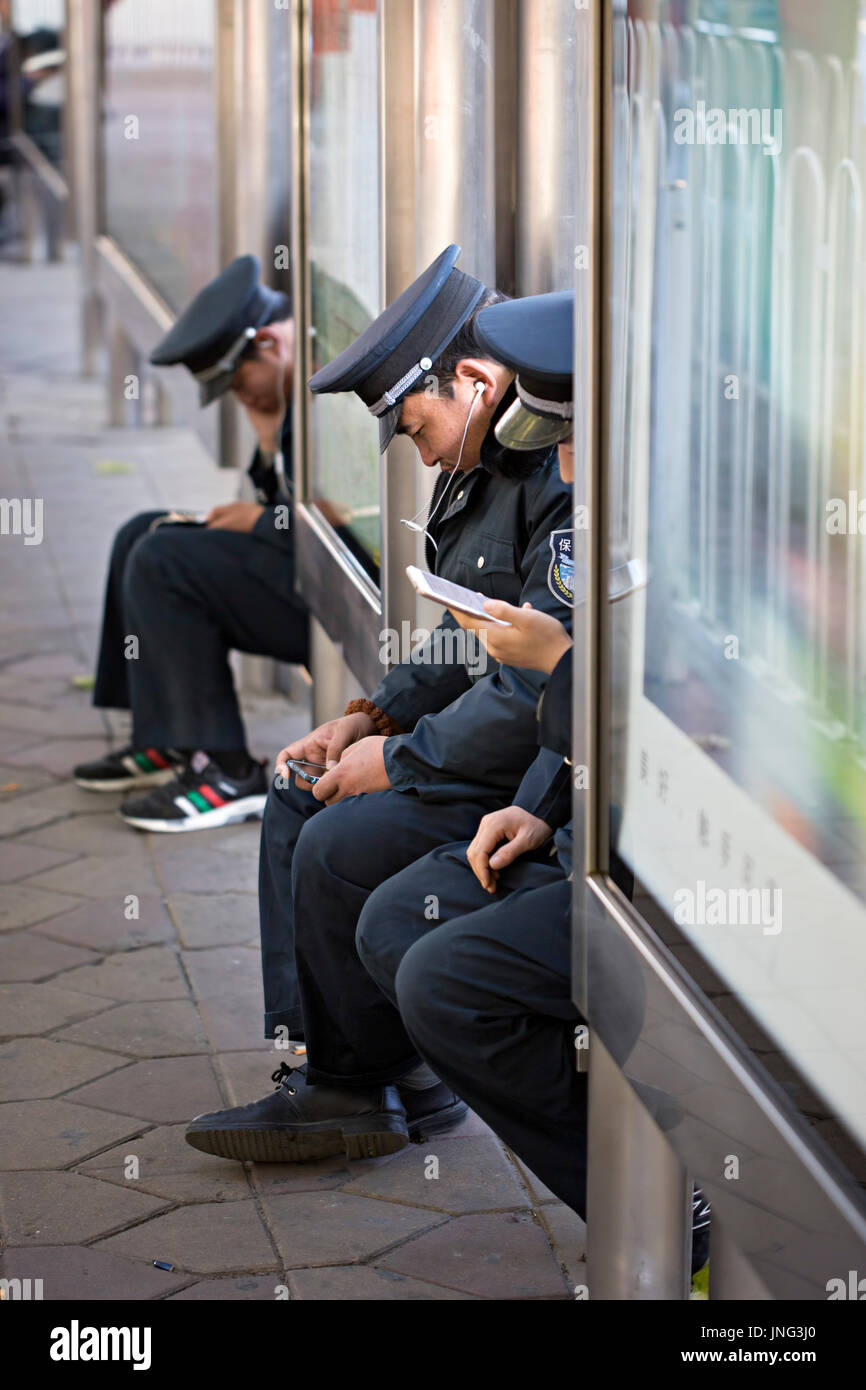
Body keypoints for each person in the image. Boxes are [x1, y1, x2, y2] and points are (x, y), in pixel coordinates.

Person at [184, 247, 574, 1156]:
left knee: (336, 836)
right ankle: (342, 1067)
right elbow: (470, 627)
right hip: (481, 747)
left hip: (527, 769)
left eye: (414, 423)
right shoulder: (487, 450)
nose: (414, 445)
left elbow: (538, 683)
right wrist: (376, 714)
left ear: (473, 381)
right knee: (300, 783)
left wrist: (398, 760)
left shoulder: (547, 471)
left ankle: (371, 1081)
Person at [73, 255, 310, 832]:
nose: (237, 396)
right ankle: (169, 738)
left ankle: (227, 771)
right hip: (301, 570)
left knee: (165, 560)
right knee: (143, 532)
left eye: (235, 381)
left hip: (340, 598)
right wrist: (265, 443)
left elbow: (347, 524)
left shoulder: (326, 388)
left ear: (270, 347)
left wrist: (259, 520)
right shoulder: (286, 384)